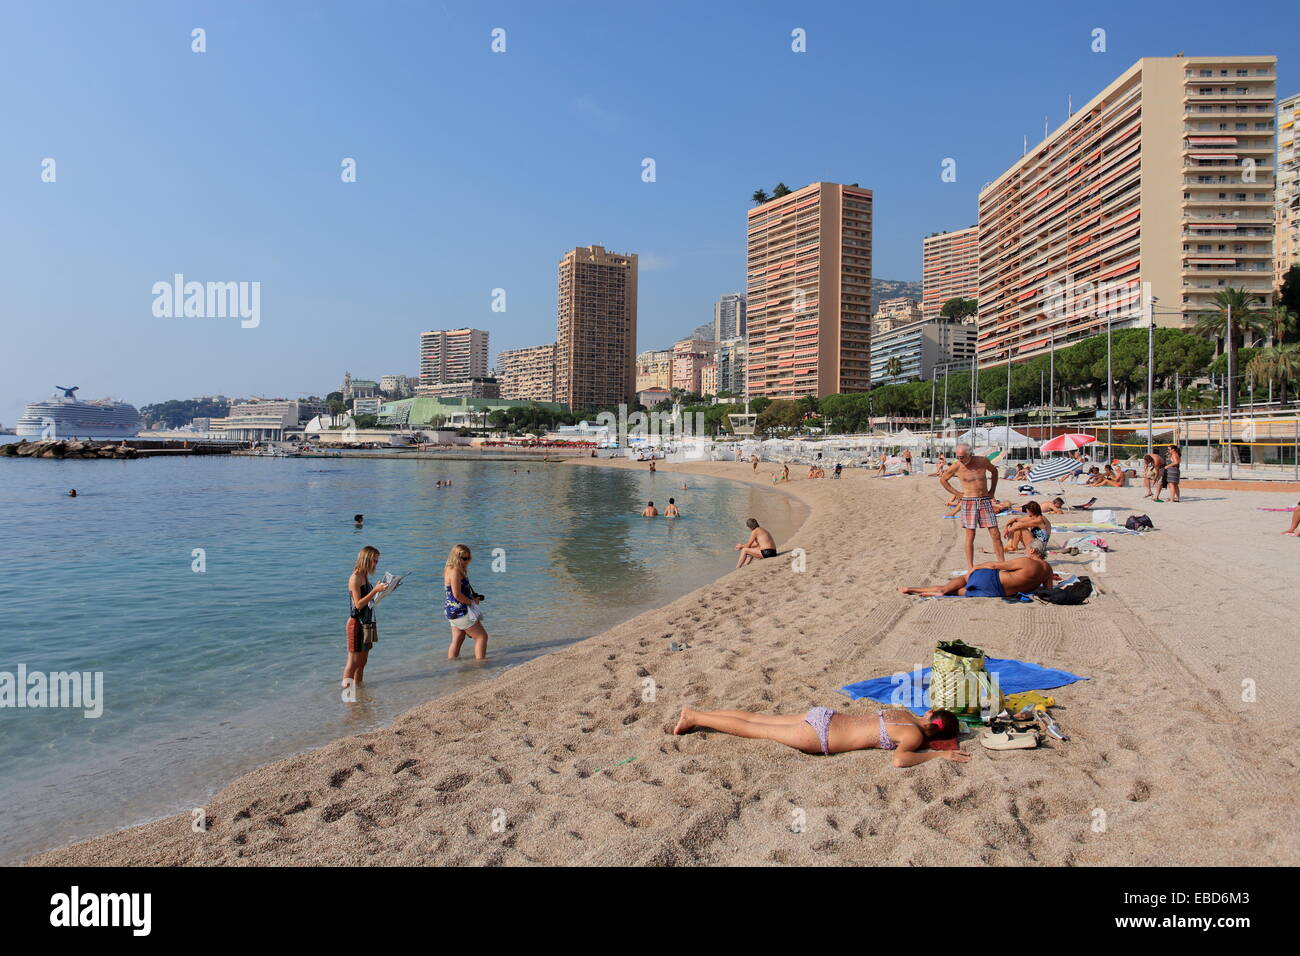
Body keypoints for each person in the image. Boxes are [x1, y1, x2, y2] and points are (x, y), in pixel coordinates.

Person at [672, 704, 967, 766]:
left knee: (758, 718)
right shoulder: (913, 736)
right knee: (755, 730)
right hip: (821, 736)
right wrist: (938, 754)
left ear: (930, 714)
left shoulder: (902, 712)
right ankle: (694, 718)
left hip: (825, 716)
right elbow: (900, 761)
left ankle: (698, 712)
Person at [899, 539, 1054, 598]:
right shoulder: (1048, 570)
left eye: (1027, 549)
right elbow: (1048, 589)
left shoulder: (1027, 561)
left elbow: (995, 565)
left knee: (960, 581)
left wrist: (975, 567)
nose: (1026, 551)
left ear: (1033, 551)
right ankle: (933, 593)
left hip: (991, 578)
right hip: (998, 592)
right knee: (958, 592)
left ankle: (914, 589)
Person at [939, 443, 1004, 570]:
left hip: (985, 499)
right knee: (970, 535)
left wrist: (992, 491)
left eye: (962, 457)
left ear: (970, 454)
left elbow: (994, 472)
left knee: (995, 533)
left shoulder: (982, 461)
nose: (960, 459)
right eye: (958, 456)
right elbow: (943, 480)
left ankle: (1002, 563)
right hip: (969, 501)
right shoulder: (956, 466)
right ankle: (970, 567)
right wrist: (957, 493)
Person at [344, 546, 388, 688]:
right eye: (374, 561)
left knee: (362, 662)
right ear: (366, 560)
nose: (375, 564)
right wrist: (375, 590)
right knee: (353, 663)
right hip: (356, 624)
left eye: (377, 561)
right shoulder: (355, 577)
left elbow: (369, 600)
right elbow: (358, 605)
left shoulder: (364, 575)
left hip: (367, 623)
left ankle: (360, 695)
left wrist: (382, 591)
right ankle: (348, 697)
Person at [444, 544, 488, 660]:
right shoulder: (455, 571)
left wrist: (472, 599)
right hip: (460, 611)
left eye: (469, 558)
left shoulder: (451, 568)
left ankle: (452, 667)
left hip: (452, 610)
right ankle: (481, 665)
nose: (467, 561)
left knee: (458, 639)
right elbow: (457, 595)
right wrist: (471, 602)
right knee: (481, 637)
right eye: (464, 558)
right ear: (456, 557)